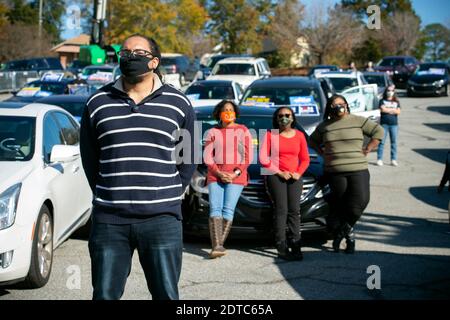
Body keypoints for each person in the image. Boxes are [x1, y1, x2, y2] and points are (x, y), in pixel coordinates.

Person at [80, 34, 196, 300]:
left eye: (139, 54)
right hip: (110, 221)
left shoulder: (180, 104)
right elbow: (90, 158)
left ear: (154, 62)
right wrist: (109, 191)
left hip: (162, 220)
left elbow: (189, 156)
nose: (130, 57)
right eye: (125, 52)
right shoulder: (97, 103)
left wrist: (171, 193)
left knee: (166, 295)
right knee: (105, 295)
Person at [309, 94, 384, 254]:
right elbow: (312, 141)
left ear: (347, 105)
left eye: (341, 104)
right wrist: (322, 153)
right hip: (335, 171)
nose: (339, 107)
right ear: (330, 108)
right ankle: (349, 237)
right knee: (343, 205)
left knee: (360, 203)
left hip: (358, 169)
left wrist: (368, 148)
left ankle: (343, 231)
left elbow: (378, 131)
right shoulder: (325, 126)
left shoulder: (358, 120)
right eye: (335, 105)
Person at [259, 107, 310, 261]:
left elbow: (305, 159)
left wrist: (298, 173)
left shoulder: (300, 136)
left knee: (294, 210)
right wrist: (279, 172)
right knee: (281, 209)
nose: (284, 118)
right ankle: (281, 245)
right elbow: (263, 158)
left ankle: (296, 243)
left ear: (293, 118)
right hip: (276, 176)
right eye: (280, 116)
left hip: (295, 177)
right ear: (276, 119)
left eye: (287, 115)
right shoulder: (269, 135)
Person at [204, 100, 253, 258]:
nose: (228, 112)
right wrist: (218, 173)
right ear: (219, 113)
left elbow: (248, 156)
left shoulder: (243, 130)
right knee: (215, 208)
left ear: (235, 113)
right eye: (225, 110)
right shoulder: (212, 131)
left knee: (228, 209)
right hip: (215, 175)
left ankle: (219, 244)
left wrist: (235, 173)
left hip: (236, 177)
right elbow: (207, 156)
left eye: (231, 110)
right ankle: (217, 246)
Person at [377, 84, 401, 167]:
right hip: (384, 124)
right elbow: (382, 110)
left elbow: (398, 112)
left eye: (392, 91)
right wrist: (392, 110)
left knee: (393, 142)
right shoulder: (382, 100)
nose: (390, 92)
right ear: (386, 91)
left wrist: (388, 110)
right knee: (382, 142)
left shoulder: (396, 101)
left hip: (394, 125)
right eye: (388, 90)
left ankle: (393, 159)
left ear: (394, 92)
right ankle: (379, 159)